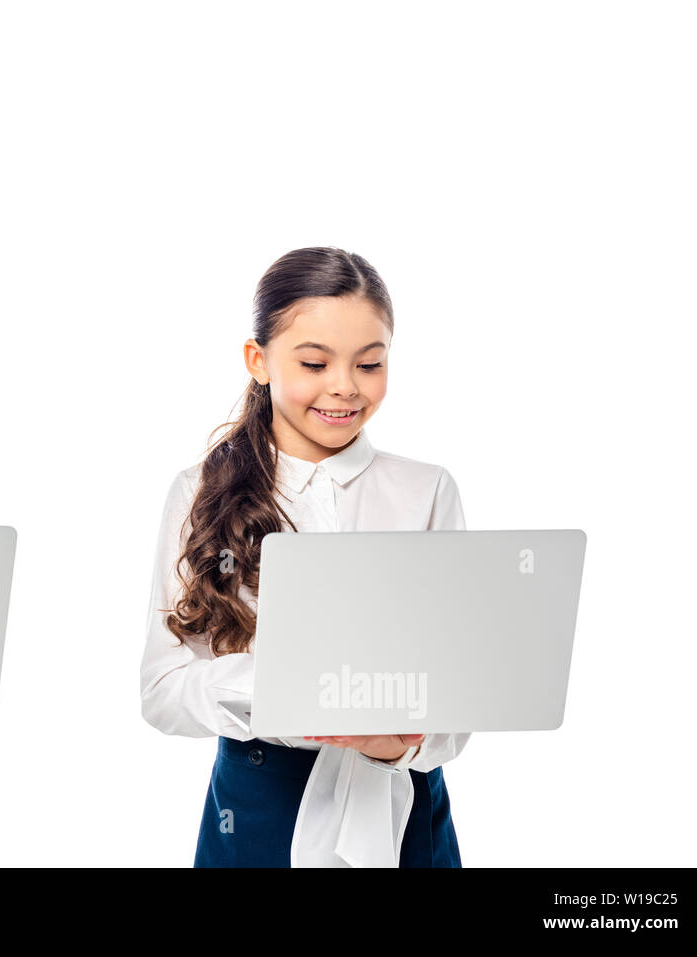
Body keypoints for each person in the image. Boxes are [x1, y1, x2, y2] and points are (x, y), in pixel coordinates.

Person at [140, 246, 469, 867]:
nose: (344, 386)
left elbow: (457, 706)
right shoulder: (198, 492)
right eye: (315, 362)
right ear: (257, 361)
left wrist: (392, 742)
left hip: (403, 812)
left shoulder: (426, 491)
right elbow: (161, 691)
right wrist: (286, 687)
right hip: (257, 806)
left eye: (369, 364)